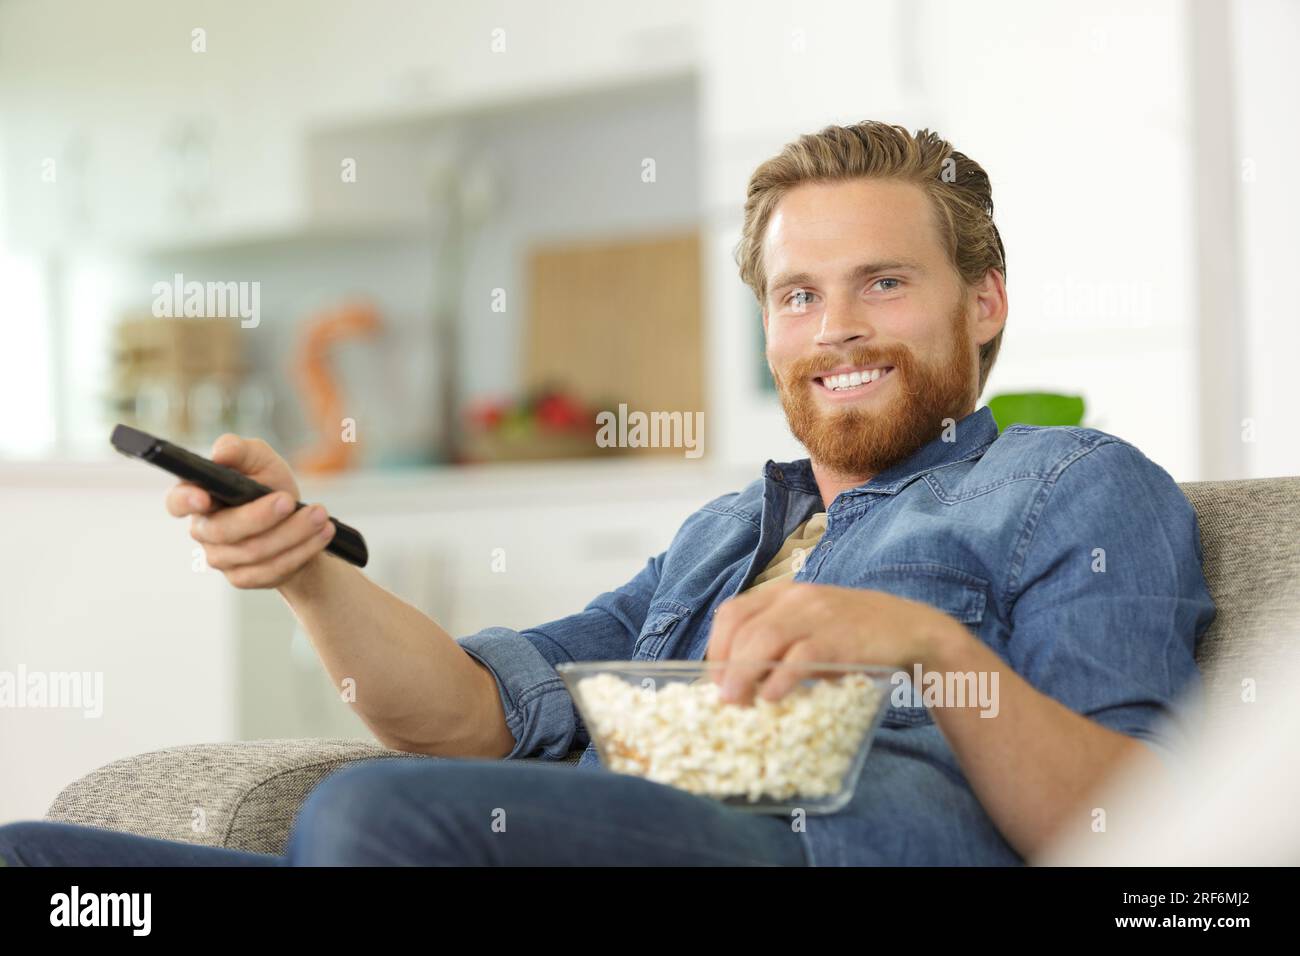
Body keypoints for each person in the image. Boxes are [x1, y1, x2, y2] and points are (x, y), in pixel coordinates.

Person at [0, 121, 1215, 866]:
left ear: (983, 301)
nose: (836, 327)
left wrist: (929, 640)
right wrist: (305, 560)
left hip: (809, 850)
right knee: (39, 862)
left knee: (374, 820)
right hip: (582, 847)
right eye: (798, 295)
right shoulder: (729, 532)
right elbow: (474, 718)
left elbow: (1140, 838)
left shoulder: (1071, 487)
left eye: (884, 281)